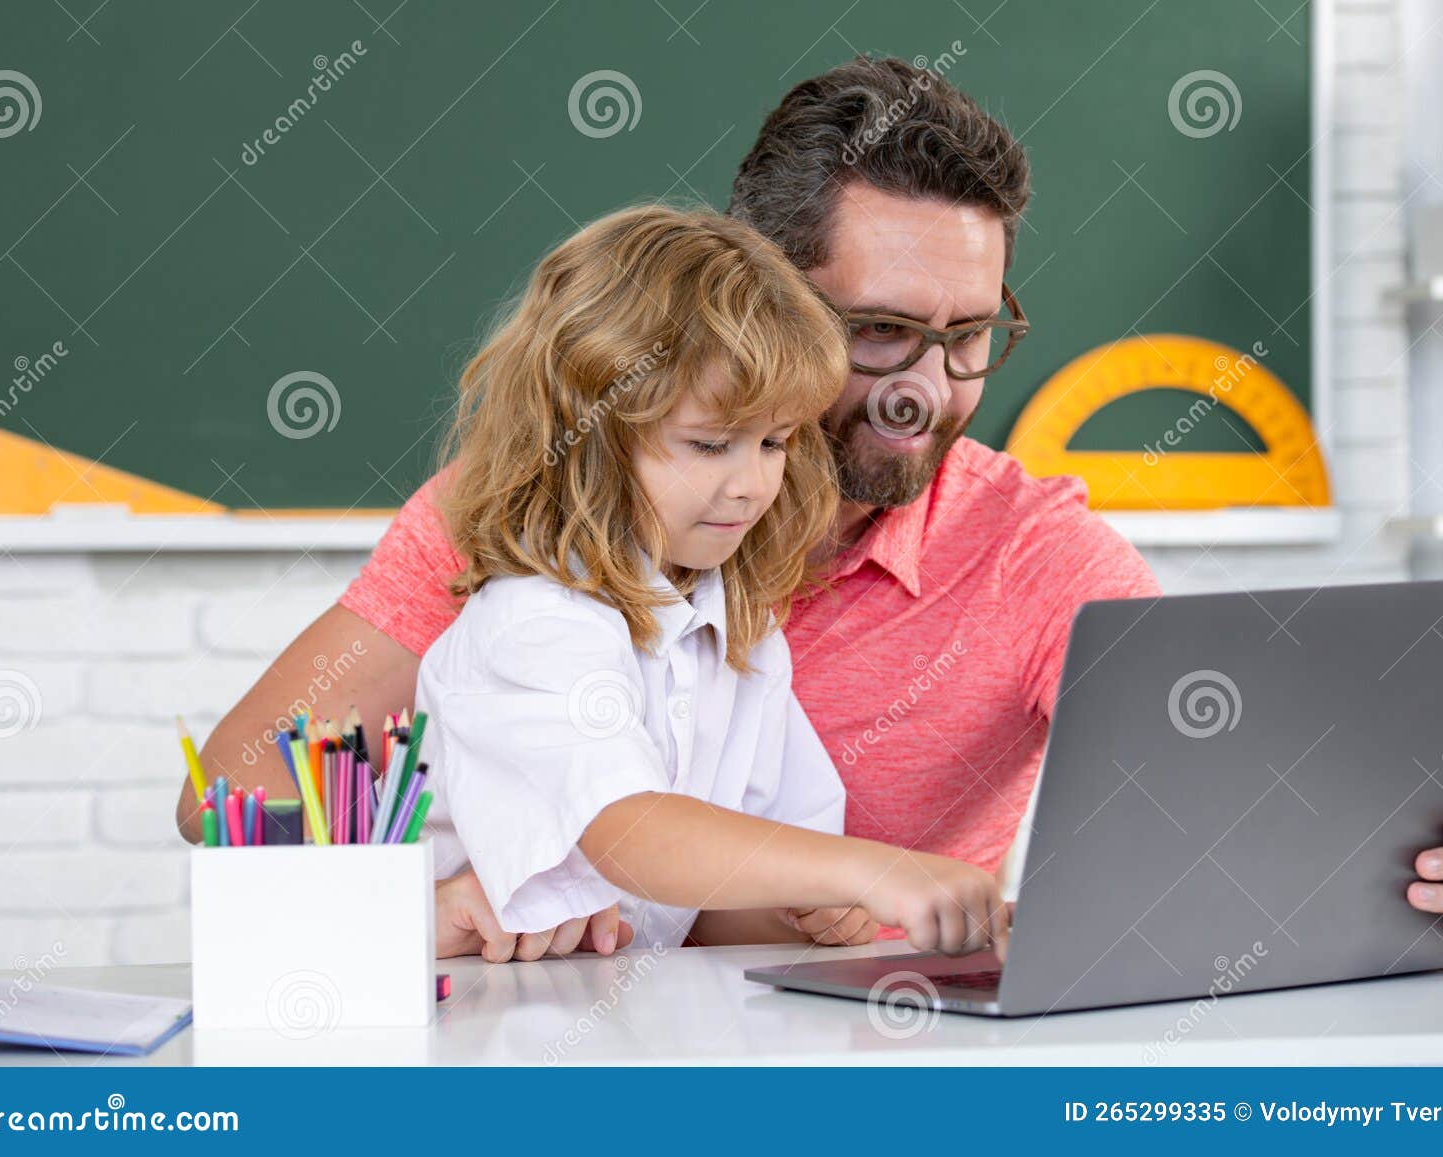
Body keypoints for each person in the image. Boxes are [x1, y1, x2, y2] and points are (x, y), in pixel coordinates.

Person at [177, 56, 1443, 969]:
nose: (927, 395)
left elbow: (1245, 758)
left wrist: (1420, 857)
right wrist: (443, 910)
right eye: (878, 333)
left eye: (970, 335)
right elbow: (234, 798)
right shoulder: (532, 520)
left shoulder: (1019, 546)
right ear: (755, 298)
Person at [411, 203, 1006, 957]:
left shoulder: (737, 634)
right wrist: (872, 868)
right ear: (590, 438)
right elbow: (632, 833)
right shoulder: (536, 621)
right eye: (710, 444)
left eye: (774, 443)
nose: (751, 484)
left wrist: (811, 906)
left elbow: (714, 899)